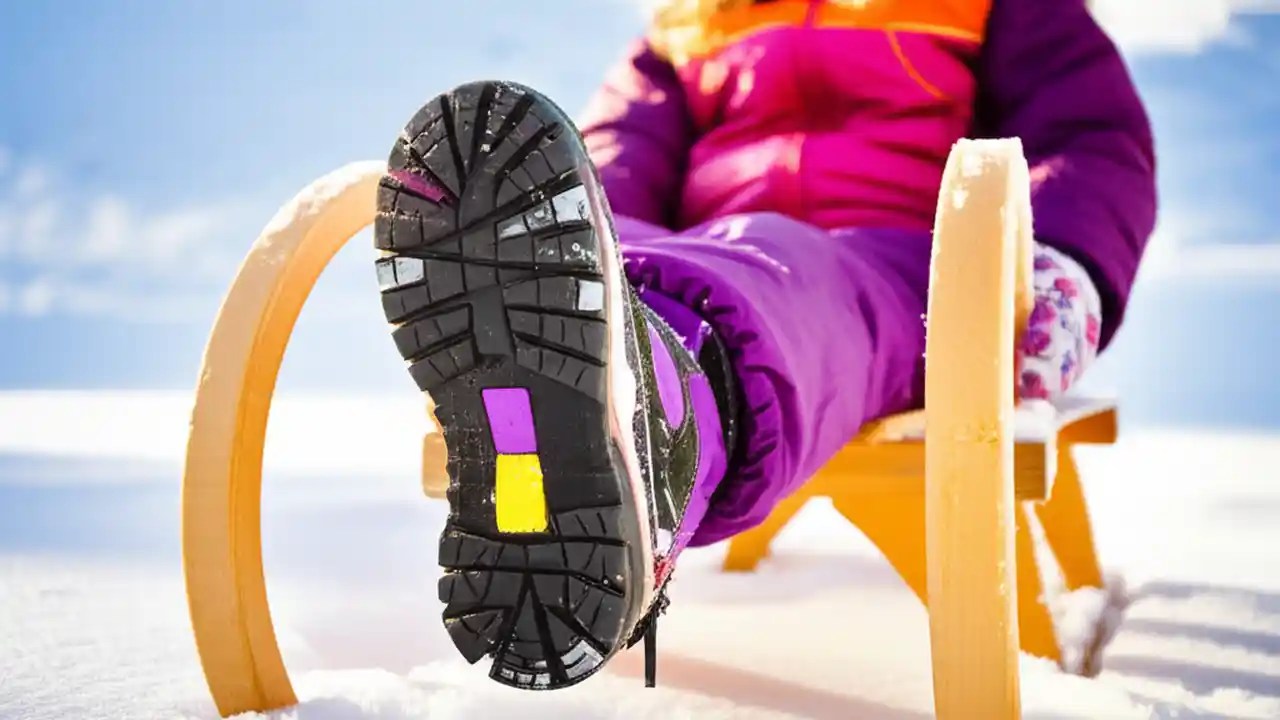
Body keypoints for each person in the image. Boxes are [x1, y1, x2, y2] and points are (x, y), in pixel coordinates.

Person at [371, 0, 1155, 691]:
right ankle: (587, 372)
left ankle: (657, 425)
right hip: (706, 254)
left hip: (909, 273)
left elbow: (1089, 137)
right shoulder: (695, 22)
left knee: (794, 278)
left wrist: (1066, 266)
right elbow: (622, 158)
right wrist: (572, 241)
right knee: (642, 258)